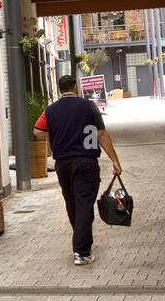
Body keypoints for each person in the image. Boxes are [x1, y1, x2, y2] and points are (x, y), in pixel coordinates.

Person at [33, 74, 123, 265]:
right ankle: (81, 252)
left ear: (59, 89)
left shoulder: (50, 110)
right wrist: (114, 160)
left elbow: (37, 131)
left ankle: (81, 242)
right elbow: (101, 134)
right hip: (85, 162)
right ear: (75, 87)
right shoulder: (89, 107)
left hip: (62, 165)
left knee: (72, 203)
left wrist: (56, 133)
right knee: (84, 205)